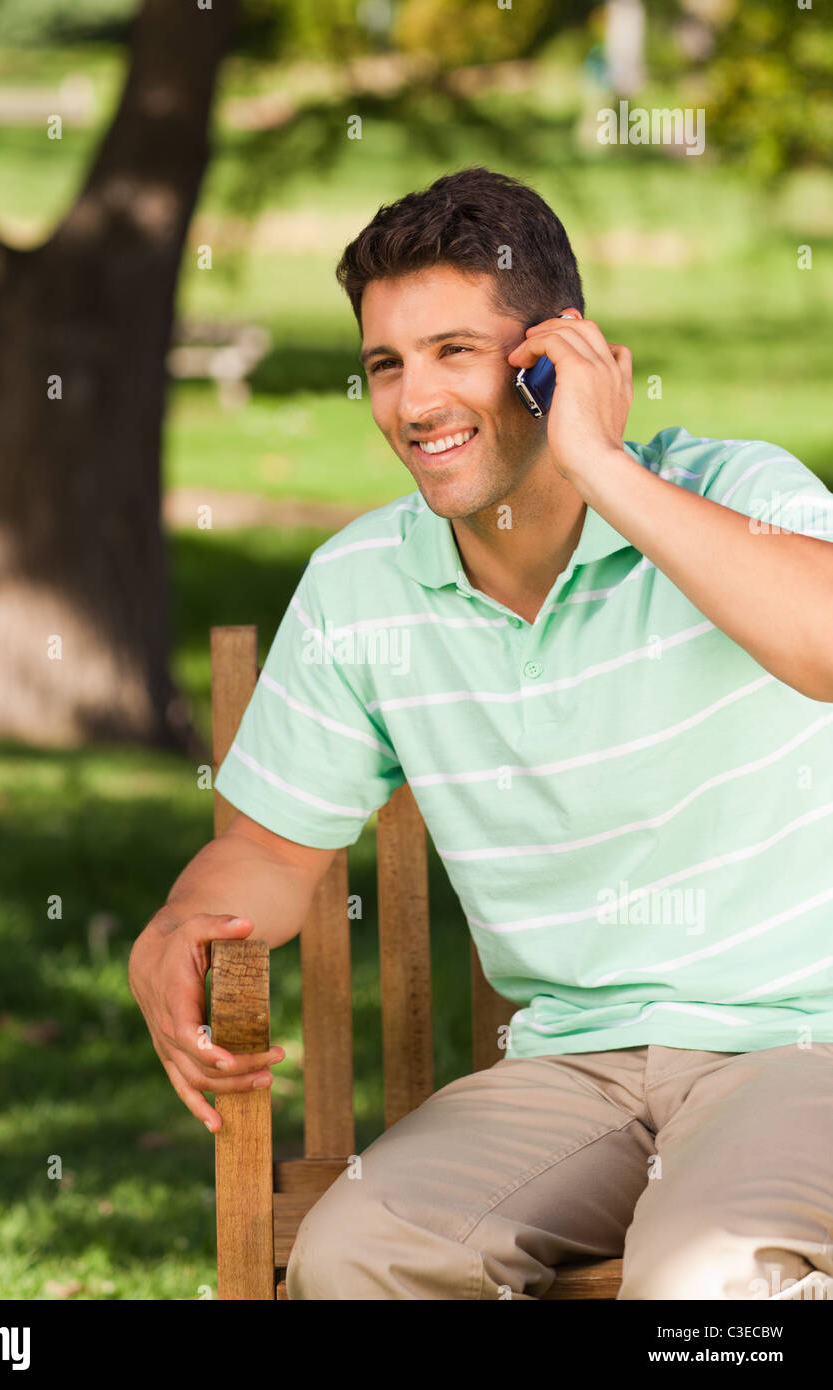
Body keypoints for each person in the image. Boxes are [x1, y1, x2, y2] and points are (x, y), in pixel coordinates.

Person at [128, 166, 833, 1301]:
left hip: (800, 1047)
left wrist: (599, 466)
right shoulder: (363, 587)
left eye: (454, 352)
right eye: (386, 365)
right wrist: (177, 922)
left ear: (559, 356)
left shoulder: (732, 493)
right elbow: (270, 852)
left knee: (706, 1280)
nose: (414, 405)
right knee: (359, 1256)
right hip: (572, 1070)